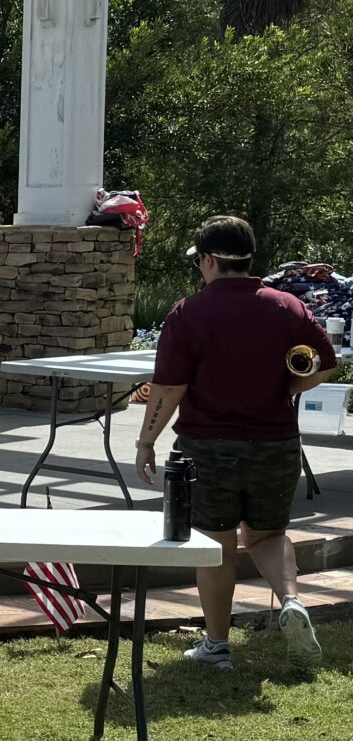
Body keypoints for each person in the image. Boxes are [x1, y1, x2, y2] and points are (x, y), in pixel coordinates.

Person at [134, 216, 326, 670]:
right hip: (276, 445)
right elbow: (322, 365)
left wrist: (146, 442)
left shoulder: (189, 312)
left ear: (209, 260)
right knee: (267, 534)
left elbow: (168, 389)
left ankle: (217, 646)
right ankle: (292, 602)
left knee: (215, 545)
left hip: (207, 448)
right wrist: (285, 389)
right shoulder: (288, 307)